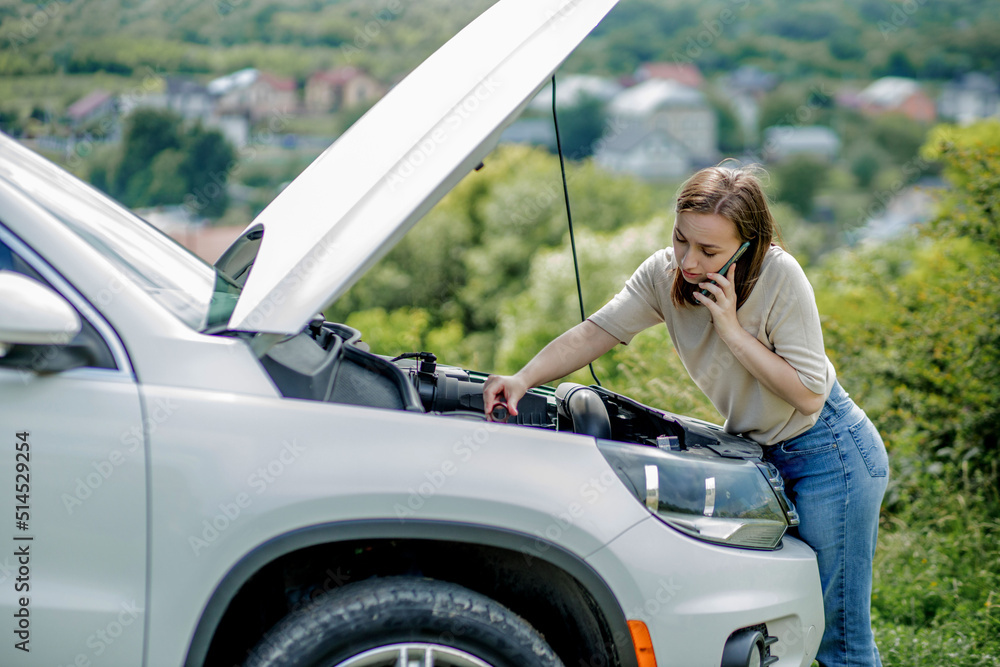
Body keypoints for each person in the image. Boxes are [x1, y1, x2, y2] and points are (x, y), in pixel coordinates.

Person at [483, 164, 889, 667]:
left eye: (709, 251)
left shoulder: (781, 277)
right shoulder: (662, 274)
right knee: (772, 619)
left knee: (839, 640)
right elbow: (595, 332)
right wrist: (523, 379)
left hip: (831, 457)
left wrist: (732, 331)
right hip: (757, 453)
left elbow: (808, 395)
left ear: (747, 246)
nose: (689, 262)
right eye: (681, 241)